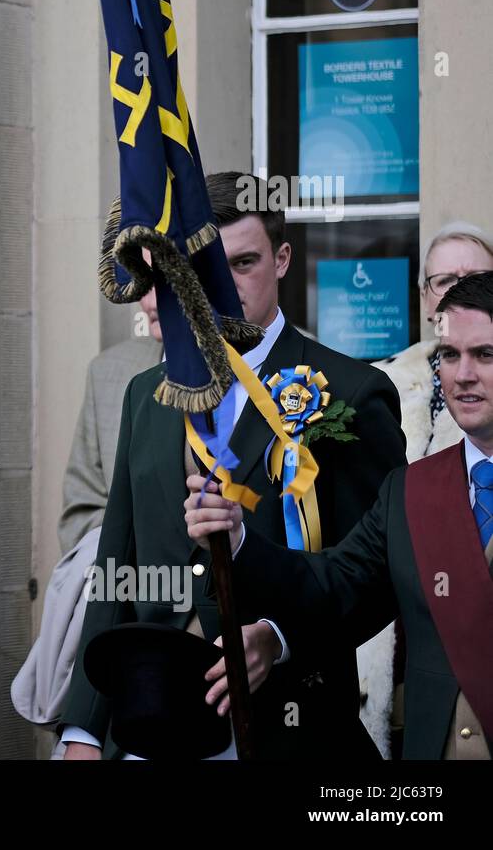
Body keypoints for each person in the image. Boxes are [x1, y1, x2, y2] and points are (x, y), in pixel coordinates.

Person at [59, 172, 407, 760]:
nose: (222, 288)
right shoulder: (146, 394)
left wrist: (280, 639)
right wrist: (85, 729)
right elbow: (117, 562)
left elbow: (376, 576)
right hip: (152, 722)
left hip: (288, 729)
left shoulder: (352, 391)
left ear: (283, 259)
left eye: (242, 264)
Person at [184, 270, 493, 759]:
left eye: (486, 355)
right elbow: (336, 586)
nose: (463, 374)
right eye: (450, 355)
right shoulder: (409, 489)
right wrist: (237, 539)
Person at [11, 250, 162, 755]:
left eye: (161, 282)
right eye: (141, 284)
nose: (147, 300)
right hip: (121, 641)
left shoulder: (296, 372)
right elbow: (81, 513)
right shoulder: (111, 373)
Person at [358, 223, 492, 755]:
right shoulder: (377, 394)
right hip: (415, 681)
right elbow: (344, 571)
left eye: (485, 354)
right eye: (444, 281)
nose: (463, 374)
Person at [376, 221, 493, 461]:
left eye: (476, 279)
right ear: (425, 299)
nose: (459, 292)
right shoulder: (379, 385)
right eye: (444, 280)